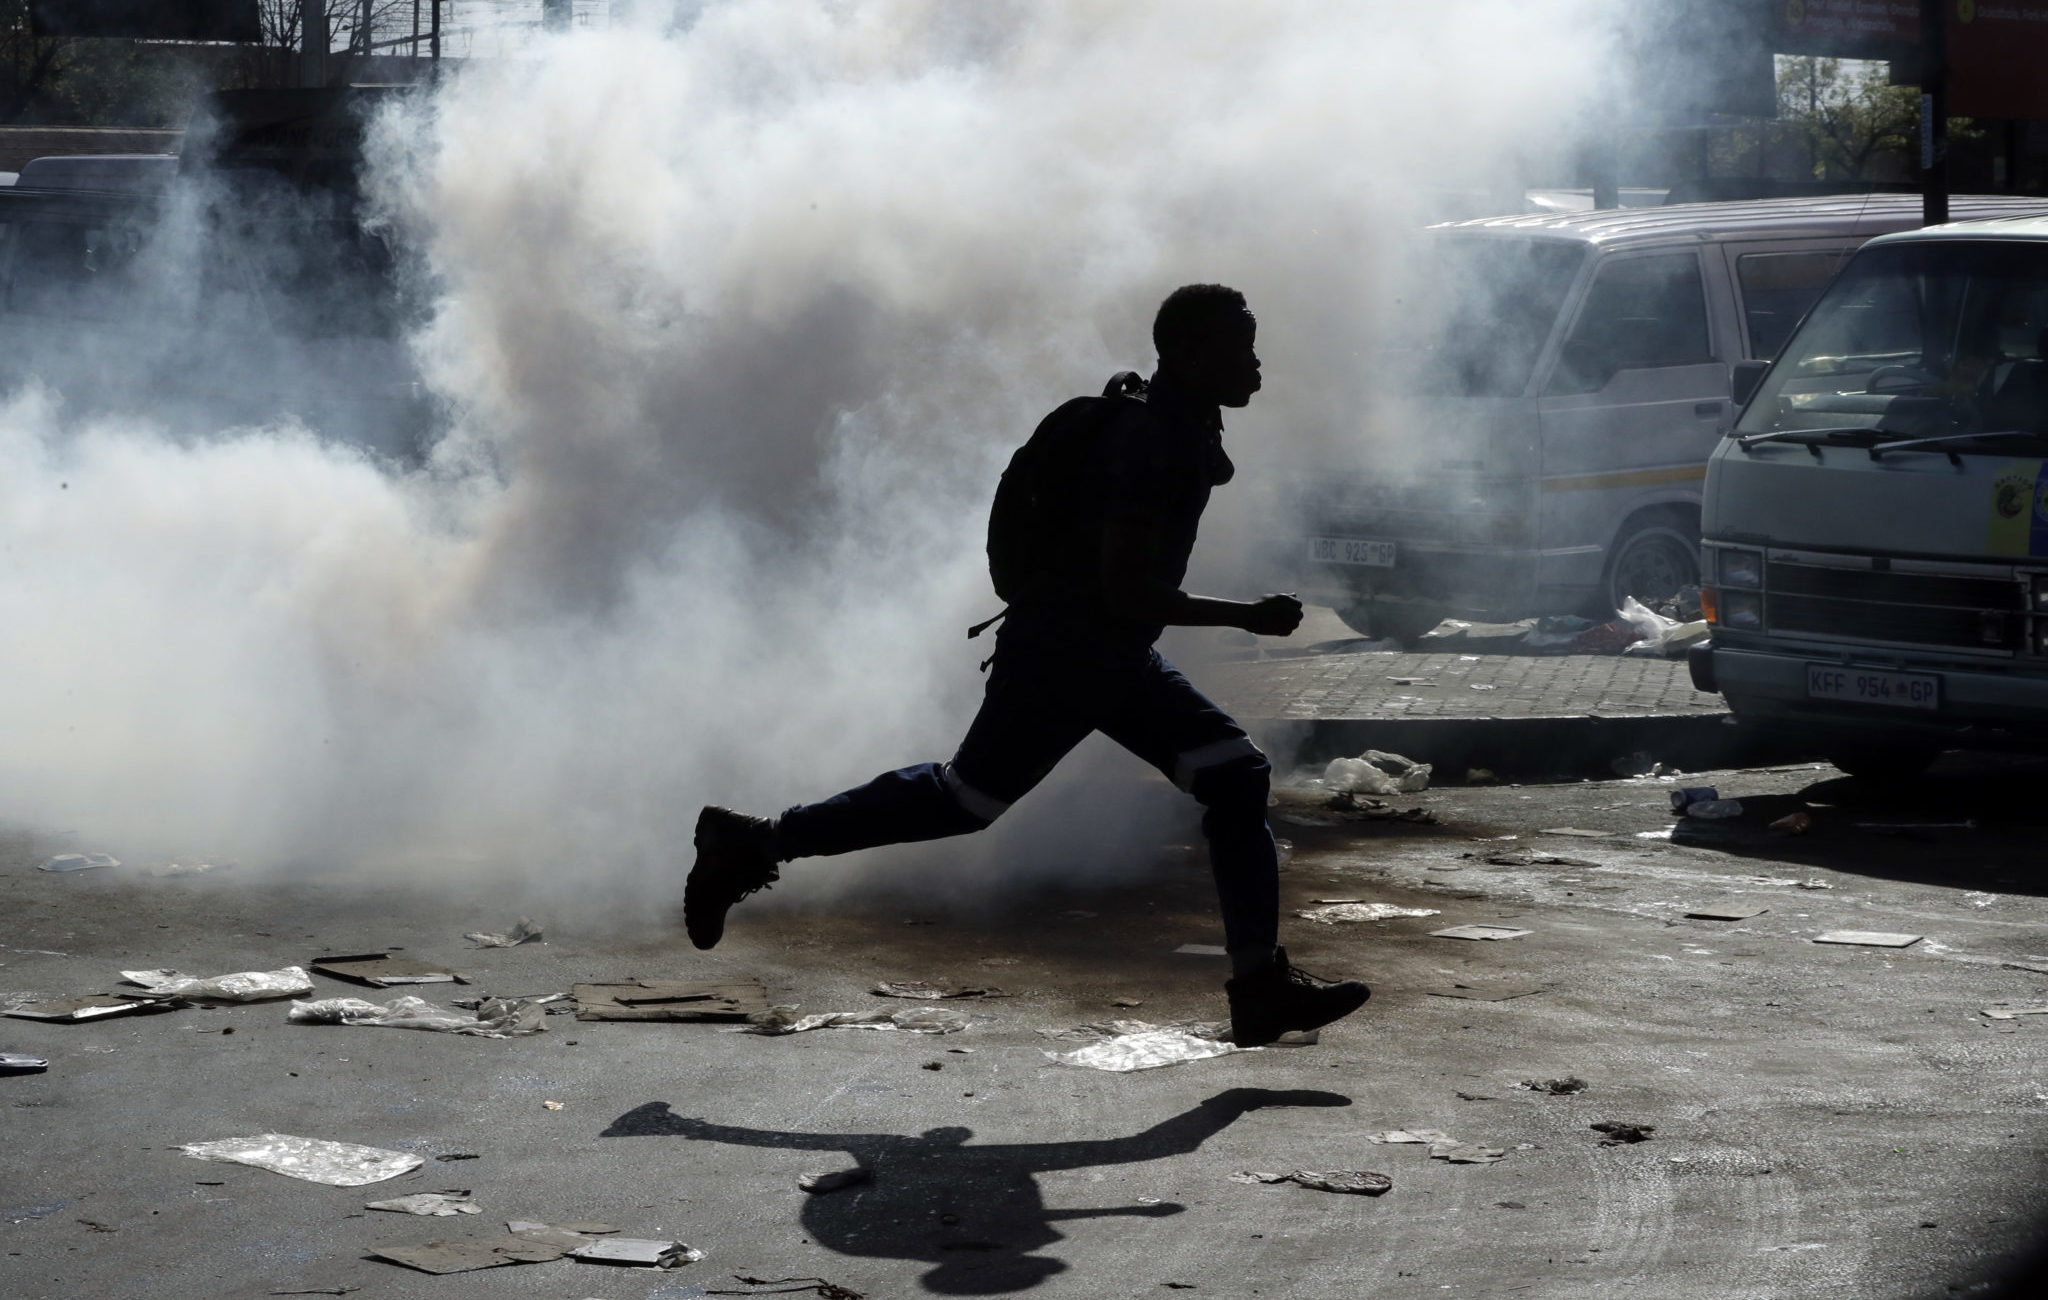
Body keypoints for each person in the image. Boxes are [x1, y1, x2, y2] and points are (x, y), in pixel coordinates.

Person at [685, 283, 1369, 1047]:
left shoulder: (1161, 424)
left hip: (1107, 655)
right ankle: (753, 842)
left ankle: (1259, 989)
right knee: (965, 800)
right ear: (1189, 353)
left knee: (1234, 778)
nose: (1257, 364)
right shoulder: (1152, 443)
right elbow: (1128, 588)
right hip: (1066, 657)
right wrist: (1247, 616)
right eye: (1241, 348)